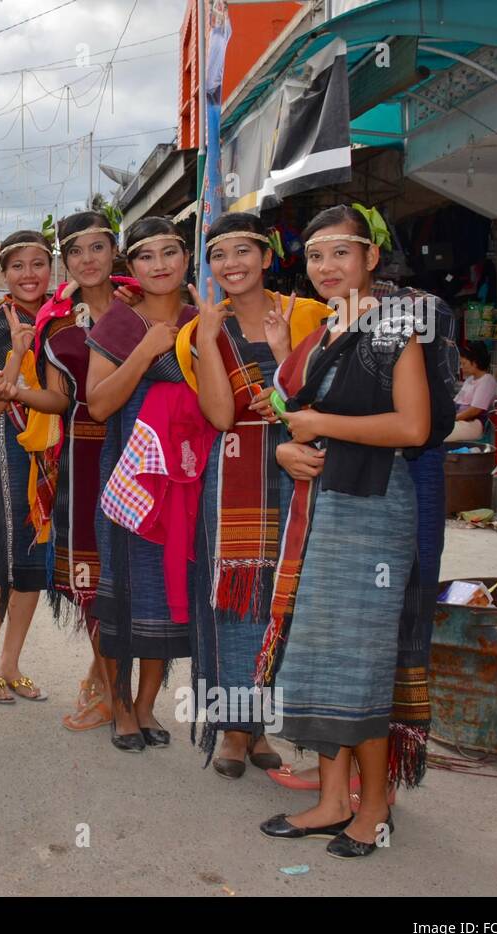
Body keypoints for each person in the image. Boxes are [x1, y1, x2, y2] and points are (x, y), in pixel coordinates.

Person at [256, 204, 434, 859]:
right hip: (322, 506)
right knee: (322, 652)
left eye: (341, 253)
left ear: (370, 258)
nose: (327, 267)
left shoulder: (395, 330)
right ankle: (331, 802)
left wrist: (321, 426)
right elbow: (296, 417)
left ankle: (374, 808)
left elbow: (412, 428)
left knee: (359, 660)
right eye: (317, 255)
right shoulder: (324, 329)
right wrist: (285, 446)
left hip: (372, 510)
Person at [175, 212, 330, 777]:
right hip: (235, 472)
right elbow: (219, 415)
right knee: (235, 601)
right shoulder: (199, 330)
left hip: (301, 470)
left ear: (267, 258)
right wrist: (211, 342)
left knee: (286, 600)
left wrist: (286, 373)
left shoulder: (311, 315)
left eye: (243, 251)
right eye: (219, 255)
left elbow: (330, 399)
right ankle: (235, 732)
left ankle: (265, 726)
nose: (231, 264)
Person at [0, 211, 130, 728]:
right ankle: (109, 691)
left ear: (114, 250)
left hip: (144, 451)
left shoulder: (143, 304)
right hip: (82, 458)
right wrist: (12, 388)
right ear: (67, 262)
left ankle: (109, 683)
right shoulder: (54, 322)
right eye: (76, 252)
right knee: (90, 577)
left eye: (96, 248)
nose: (87, 260)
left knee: (140, 574)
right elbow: (58, 397)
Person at [83, 216, 201, 751]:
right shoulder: (116, 324)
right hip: (130, 480)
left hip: (186, 480)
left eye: (169, 252)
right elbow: (100, 403)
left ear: (184, 258)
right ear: (133, 268)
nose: (159, 265)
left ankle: (150, 705)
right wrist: (148, 349)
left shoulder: (202, 323)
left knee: (169, 592)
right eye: (146, 256)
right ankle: (122, 706)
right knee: (123, 594)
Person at [0, 230, 55, 703]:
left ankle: (11, 662)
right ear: (4, 274)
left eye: (37, 264)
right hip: (12, 450)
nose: (28, 275)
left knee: (35, 562)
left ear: (51, 269)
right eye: (18, 266)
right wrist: (20, 351)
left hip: (54, 456)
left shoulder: (61, 317)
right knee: (3, 561)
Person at [447, 341, 497, 441]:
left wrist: (451, 419)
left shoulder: (487, 381)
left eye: (464, 363)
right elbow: (455, 402)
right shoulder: (470, 380)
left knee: (438, 434)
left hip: (474, 424)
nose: (461, 367)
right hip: (461, 421)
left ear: (474, 363)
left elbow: (474, 410)